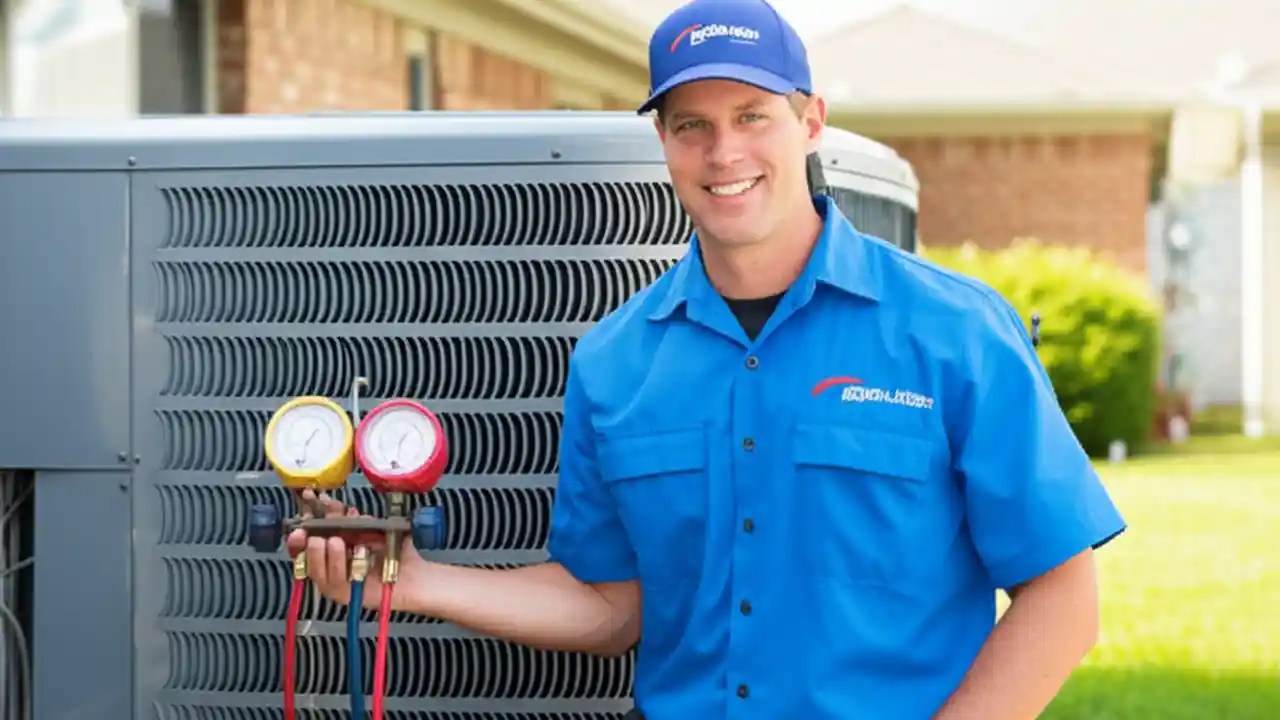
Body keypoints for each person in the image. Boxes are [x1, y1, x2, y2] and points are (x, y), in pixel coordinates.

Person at [289, 0, 1127, 717]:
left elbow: (1061, 596)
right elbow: (610, 605)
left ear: (811, 121)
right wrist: (414, 579)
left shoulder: (955, 332)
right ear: (663, 139)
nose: (723, 153)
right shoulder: (615, 362)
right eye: (692, 125)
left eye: (751, 116)